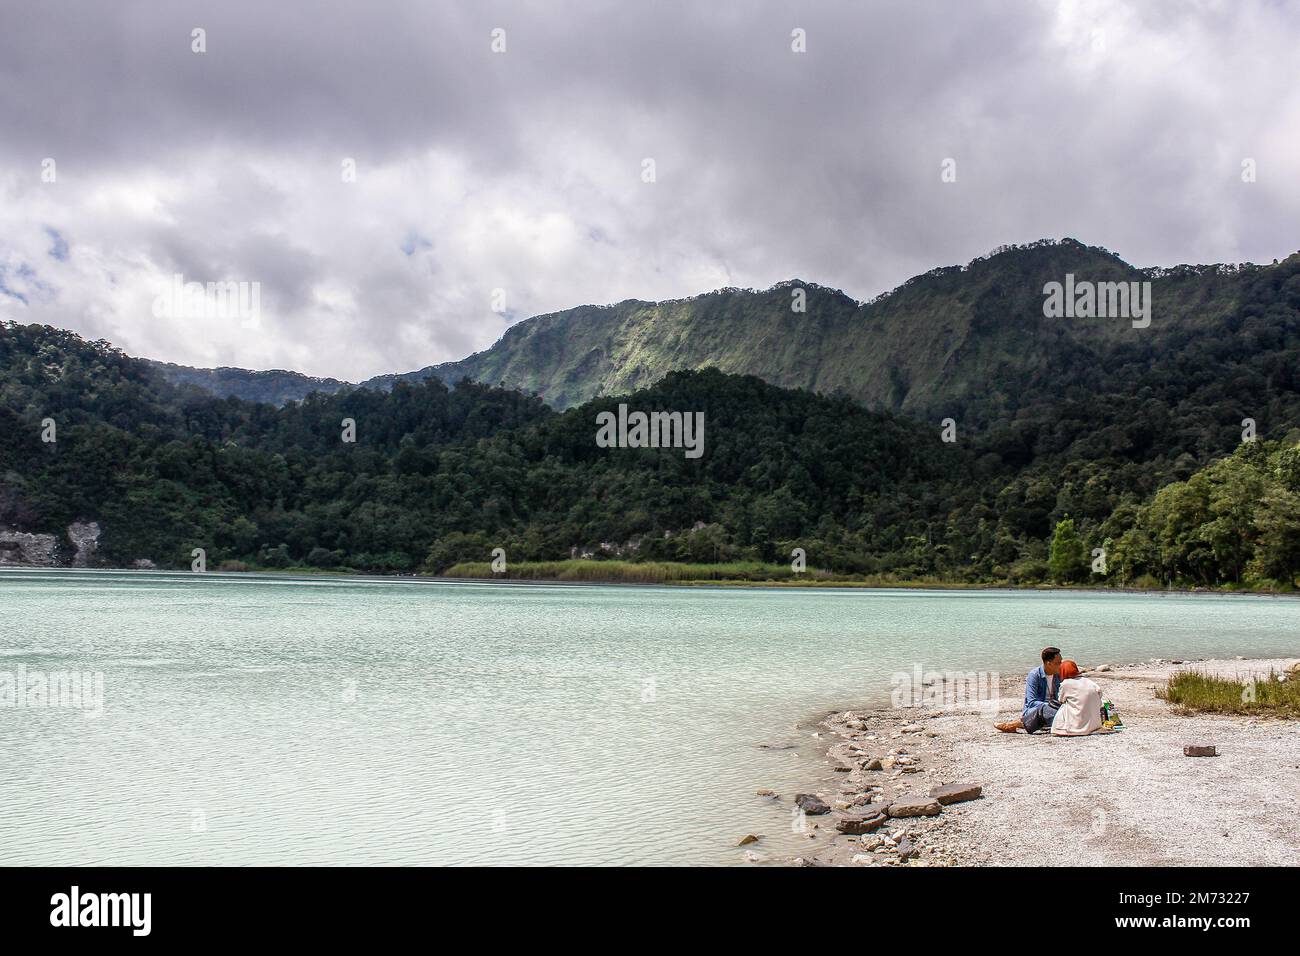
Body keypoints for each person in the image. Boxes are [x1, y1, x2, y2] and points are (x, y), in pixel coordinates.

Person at [994, 647, 1062, 734]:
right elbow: (1032, 702)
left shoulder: (1058, 675)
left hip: (1053, 709)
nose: (1061, 665)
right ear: (1049, 664)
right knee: (1049, 711)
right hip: (1035, 711)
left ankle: (1016, 725)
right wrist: (1049, 705)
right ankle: (1012, 725)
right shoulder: (1034, 675)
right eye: (1058, 663)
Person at [1050, 660, 1103, 736]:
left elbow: (1061, 700)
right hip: (1095, 724)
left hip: (1077, 726)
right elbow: (1099, 692)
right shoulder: (1089, 681)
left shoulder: (1066, 684)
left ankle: (1064, 729)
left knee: (1063, 707)